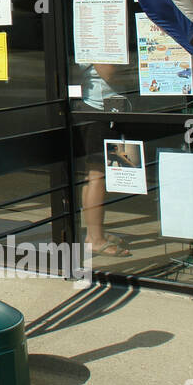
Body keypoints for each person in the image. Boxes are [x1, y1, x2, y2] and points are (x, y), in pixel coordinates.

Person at [79, 62, 131, 257]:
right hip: (100, 108)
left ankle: (93, 233)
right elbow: (108, 71)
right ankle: (95, 238)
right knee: (97, 175)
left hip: (98, 106)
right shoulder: (100, 33)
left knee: (92, 175)